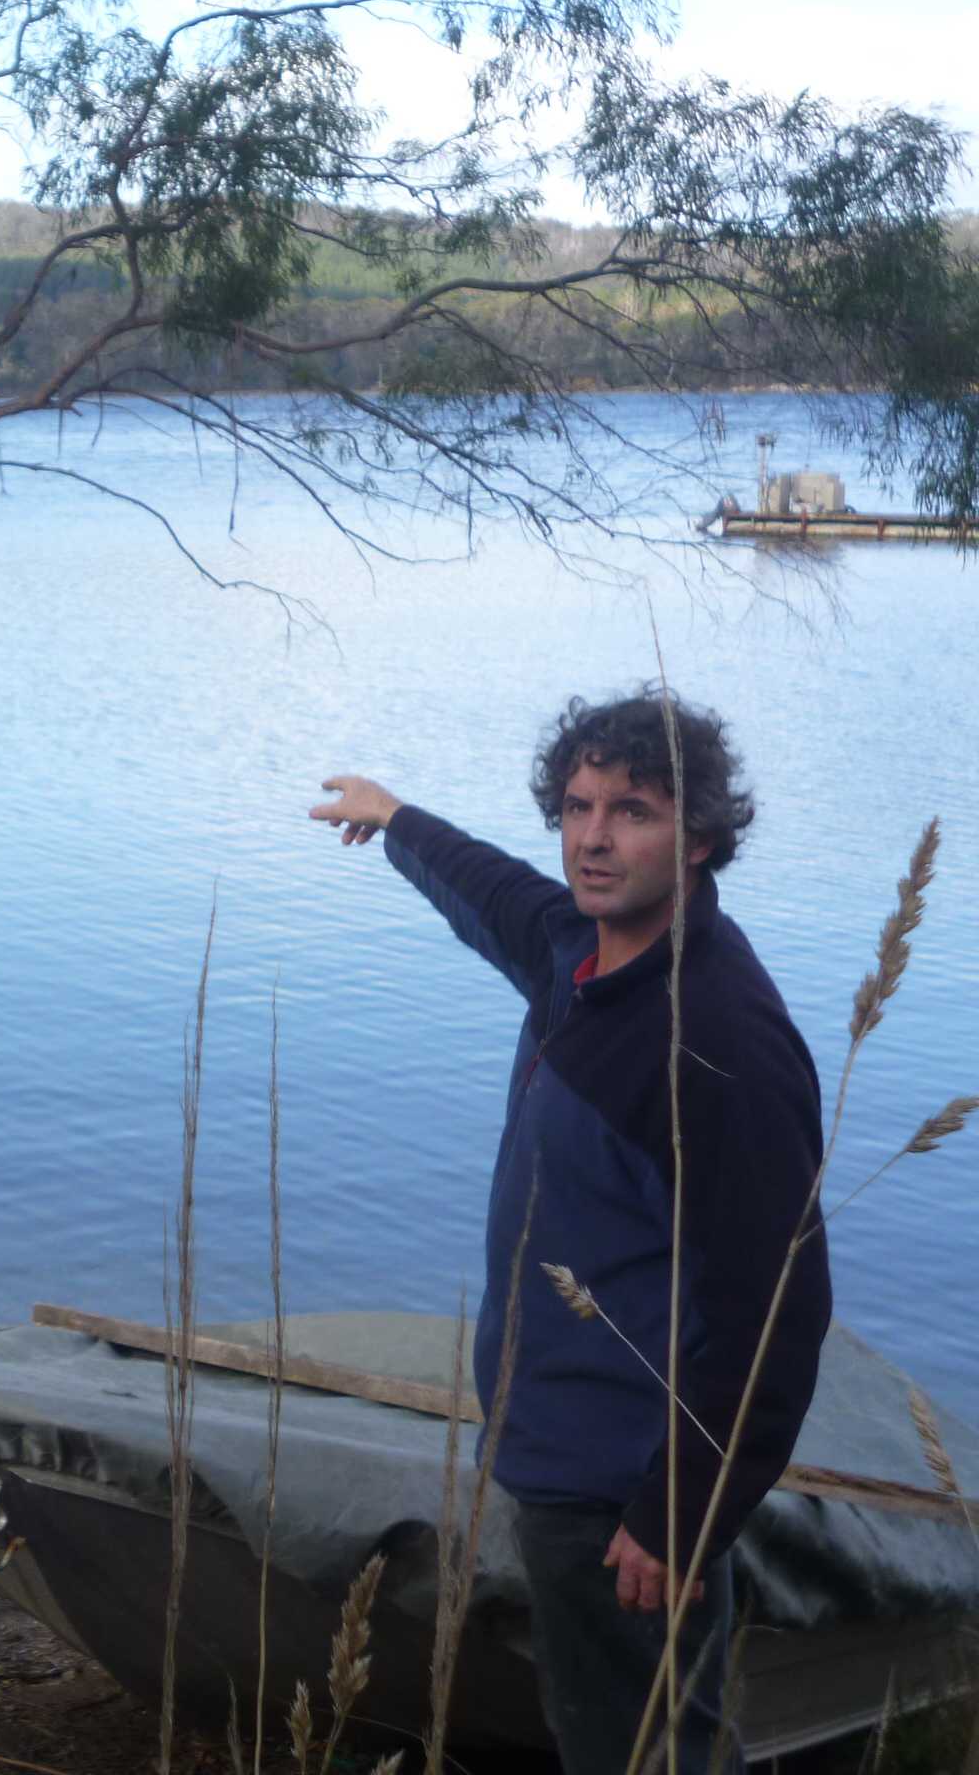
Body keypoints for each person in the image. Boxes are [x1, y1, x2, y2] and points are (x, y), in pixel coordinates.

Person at [308, 688, 831, 1775]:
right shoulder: (578, 959)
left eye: (630, 811)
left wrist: (679, 1508)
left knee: (639, 1751)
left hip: (622, 1485)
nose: (592, 837)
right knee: (620, 1730)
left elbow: (774, 1314)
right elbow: (494, 895)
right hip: (554, 1453)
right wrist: (397, 820)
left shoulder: (717, 1041)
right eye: (577, 806)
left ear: (698, 839)